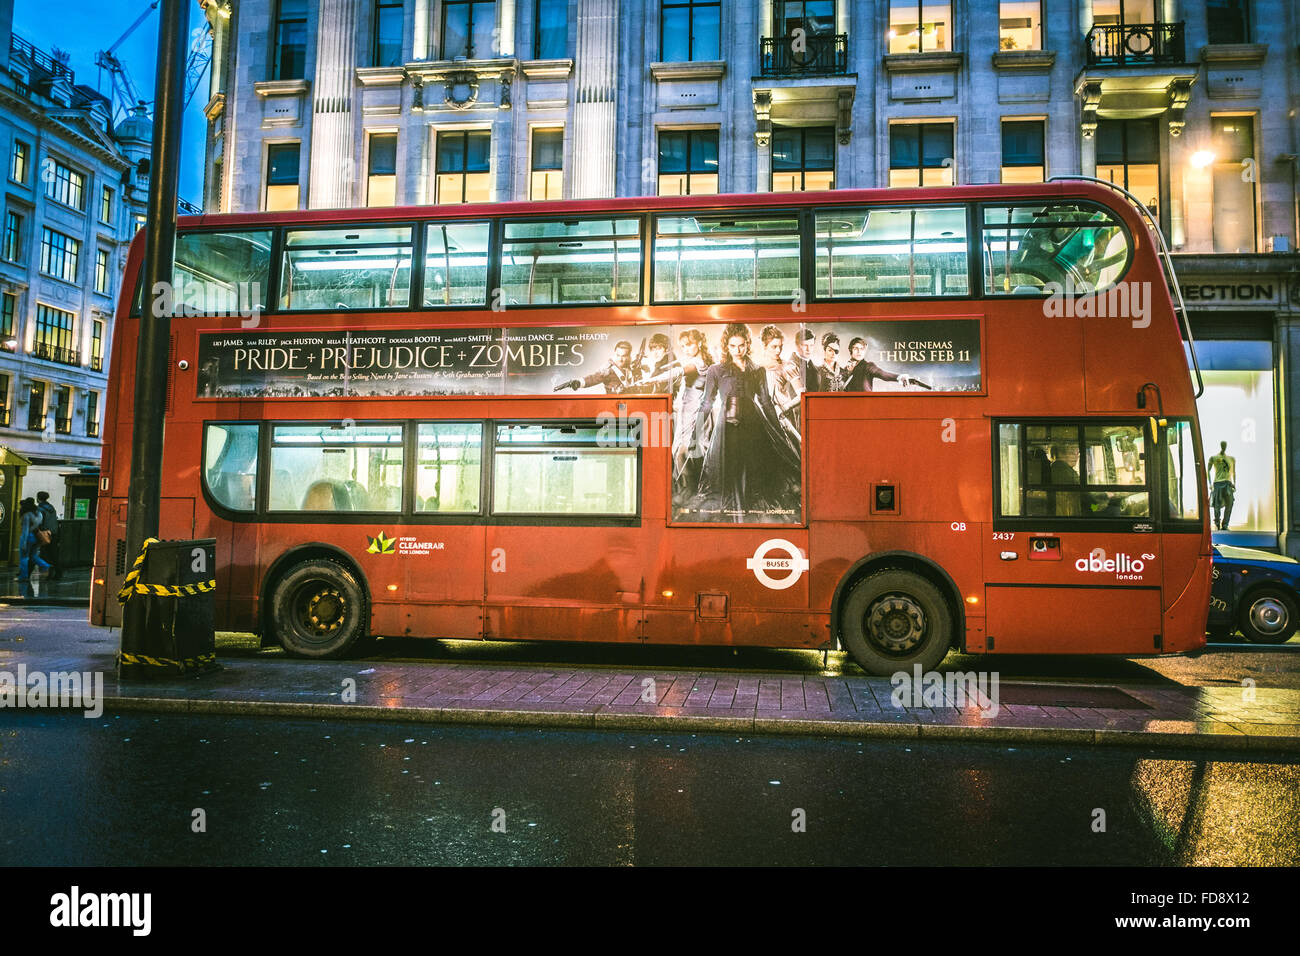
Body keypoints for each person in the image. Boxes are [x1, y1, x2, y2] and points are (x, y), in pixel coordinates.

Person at [558, 340, 642, 393]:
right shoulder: (608, 370)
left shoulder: (631, 368)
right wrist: (578, 382)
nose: (620, 359)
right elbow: (594, 378)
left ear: (629, 356)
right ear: (614, 353)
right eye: (618, 355)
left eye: (624, 356)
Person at [841, 338, 916, 392]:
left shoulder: (868, 366)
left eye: (862, 349)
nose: (859, 351)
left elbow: (883, 374)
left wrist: (900, 377)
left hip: (865, 406)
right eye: (856, 348)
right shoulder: (845, 369)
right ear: (851, 350)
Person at [17, 498, 51, 582]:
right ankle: (47, 566)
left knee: (24, 557)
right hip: (37, 536)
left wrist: (23, 542)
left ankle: (23, 576)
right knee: (33, 556)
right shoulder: (39, 514)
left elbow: (25, 530)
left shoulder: (26, 515)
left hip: (28, 537)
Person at [1208, 441, 1236, 530]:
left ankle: (1225, 524)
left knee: (1230, 503)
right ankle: (1217, 523)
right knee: (1217, 504)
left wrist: (1234, 483)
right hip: (1218, 483)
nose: (1224, 446)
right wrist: (1210, 484)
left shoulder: (1231, 459)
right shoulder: (1213, 458)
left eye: (1225, 445)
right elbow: (1208, 470)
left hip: (1228, 482)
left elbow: (1233, 472)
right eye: (1222, 445)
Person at [36, 490, 60, 581]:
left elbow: (38, 522)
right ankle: (58, 571)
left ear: (38, 498)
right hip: (53, 533)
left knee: (45, 554)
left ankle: (49, 573)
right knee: (53, 554)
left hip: (44, 533)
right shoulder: (51, 508)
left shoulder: (40, 509)